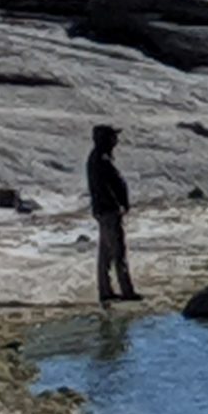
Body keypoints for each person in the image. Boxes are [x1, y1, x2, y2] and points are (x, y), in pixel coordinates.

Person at [88, 123, 141, 304]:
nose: (116, 140)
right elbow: (108, 187)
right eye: (113, 136)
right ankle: (126, 291)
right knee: (118, 252)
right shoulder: (102, 160)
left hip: (104, 210)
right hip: (109, 211)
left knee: (106, 253)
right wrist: (118, 205)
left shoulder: (98, 158)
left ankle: (106, 290)